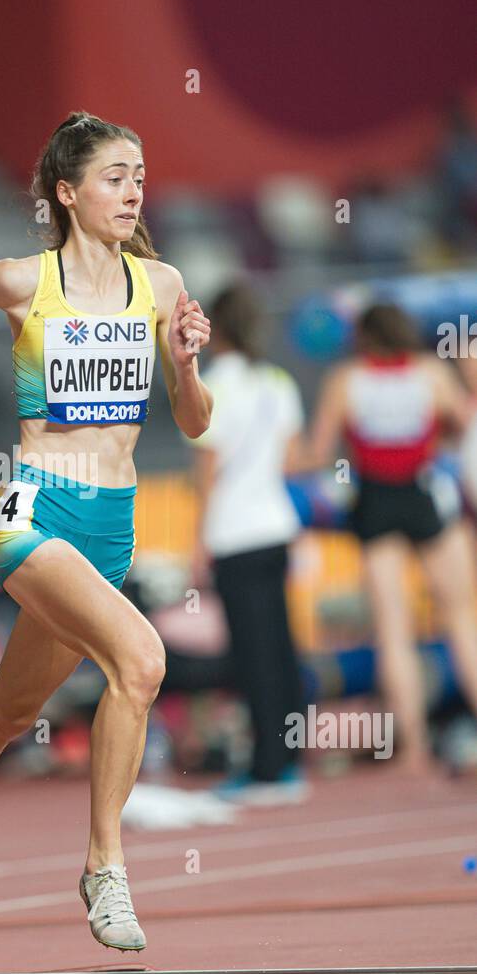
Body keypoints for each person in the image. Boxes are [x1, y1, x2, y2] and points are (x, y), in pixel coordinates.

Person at [0, 110, 213, 954]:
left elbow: (196, 424)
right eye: (114, 176)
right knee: (141, 662)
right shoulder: (27, 282)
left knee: (11, 707)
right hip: (35, 514)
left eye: (140, 174)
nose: (134, 189)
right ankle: (106, 869)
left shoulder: (162, 286)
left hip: (112, 530)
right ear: (67, 192)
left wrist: (188, 362)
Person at [309, 302, 477, 775]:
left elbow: (320, 451)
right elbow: (464, 429)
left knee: (393, 631)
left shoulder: (346, 380)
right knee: (462, 620)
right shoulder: (430, 372)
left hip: (376, 501)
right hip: (423, 494)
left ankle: (415, 750)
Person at [191, 284, 308, 805]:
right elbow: (291, 460)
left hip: (234, 532)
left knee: (251, 654)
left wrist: (197, 544)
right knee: (281, 647)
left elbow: (208, 472)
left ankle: (266, 768)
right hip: (276, 525)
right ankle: (288, 757)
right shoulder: (278, 381)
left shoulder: (214, 385)